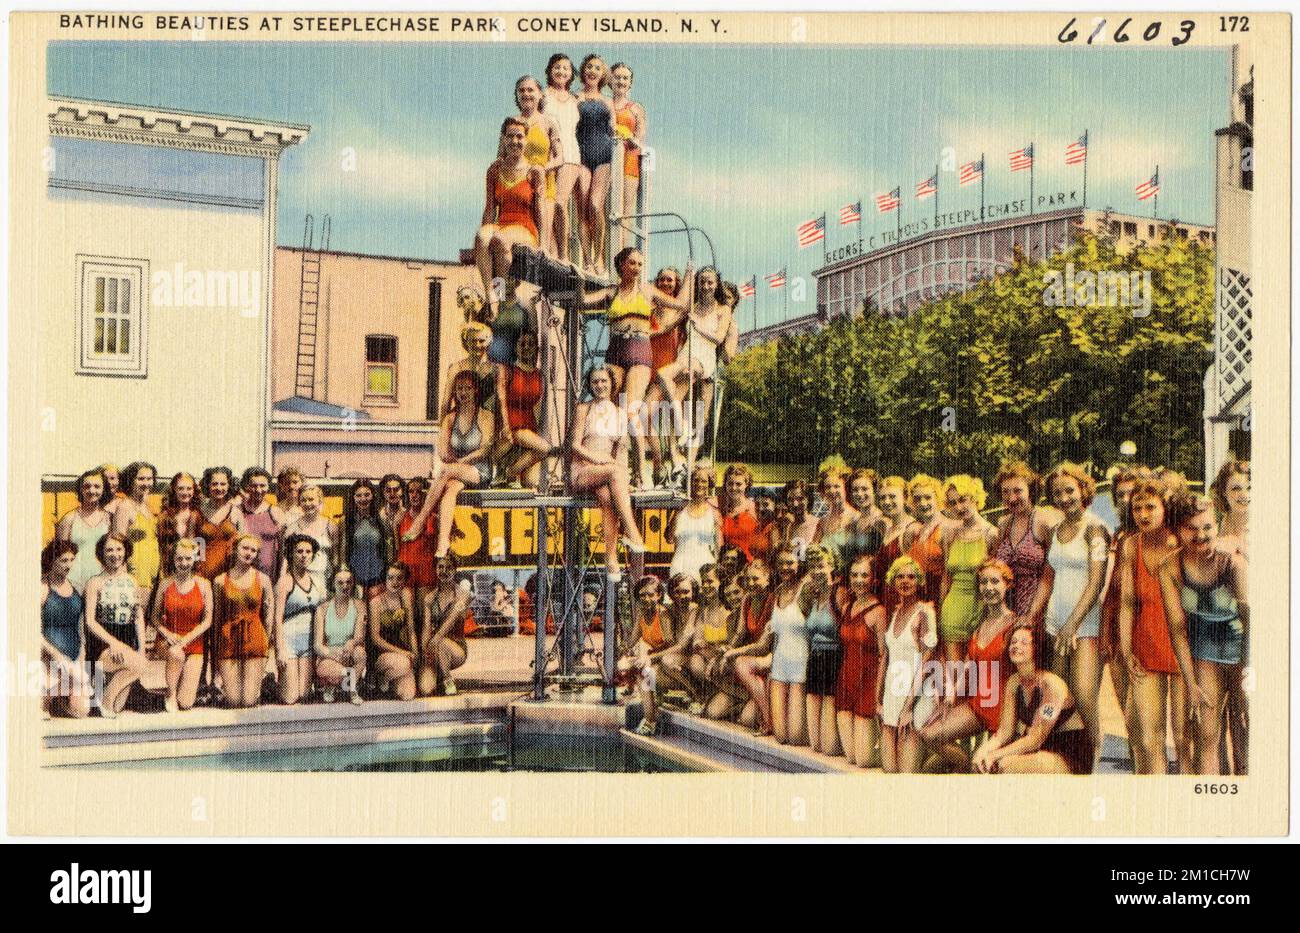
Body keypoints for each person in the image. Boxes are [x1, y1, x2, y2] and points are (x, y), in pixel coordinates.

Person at [1024, 463, 1110, 762]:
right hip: (1054, 621)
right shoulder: (1055, 529)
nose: (1064, 498)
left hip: (1084, 623)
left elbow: (1097, 580)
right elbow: (1050, 576)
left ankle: (1095, 751)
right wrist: (1037, 614)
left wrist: (1072, 624)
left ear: (1083, 490)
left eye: (1070, 490)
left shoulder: (1096, 528)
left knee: (1085, 694)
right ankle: (1061, 753)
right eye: (1057, 493)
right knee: (1057, 692)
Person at [1161, 493, 1249, 776]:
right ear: (1177, 531)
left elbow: (1252, 619)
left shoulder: (1231, 560)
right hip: (1204, 649)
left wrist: (1250, 669)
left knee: (1244, 728)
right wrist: (1191, 683)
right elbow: (1177, 629)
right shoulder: (1170, 567)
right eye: (1192, 529)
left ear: (1216, 524)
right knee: (1207, 735)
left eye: (1208, 527)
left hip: (1242, 646)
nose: (1202, 536)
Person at [577, 246, 664, 486]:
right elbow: (582, 301)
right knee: (612, 408)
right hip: (616, 349)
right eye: (632, 263)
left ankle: (643, 469)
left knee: (630, 410)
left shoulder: (647, 291)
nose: (637, 268)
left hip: (639, 349)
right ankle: (616, 464)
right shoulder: (612, 291)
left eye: (639, 264)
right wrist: (577, 278)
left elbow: (680, 305)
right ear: (622, 265)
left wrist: (689, 274)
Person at [920, 558, 1018, 771]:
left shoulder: (1014, 625)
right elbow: (968, 663)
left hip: (1003, 709)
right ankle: (963, 766)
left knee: (988, 768)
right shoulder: (980, 622)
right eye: (983, 583)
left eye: (994, 582)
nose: (988, 588)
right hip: (979, 703)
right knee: (928, 733)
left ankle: (971, 767)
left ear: (1007, 584)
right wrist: (951, 696)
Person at [1117, 478, 1185, 774]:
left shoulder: (1181, 541)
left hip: (1184, 651)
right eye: (1137, 509)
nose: (1143, 515)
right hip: (1147, 647)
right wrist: (1126, 648)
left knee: (1184, 738)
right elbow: (1127, 603)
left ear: (1164, 508)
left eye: (1150, 508)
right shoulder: (1131, 545)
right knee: (1148, 737)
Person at [973, 624, 1095, 774]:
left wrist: (994, 755)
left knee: (1005, 765)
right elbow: (1004, 732)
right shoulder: (1013, 683)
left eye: (1024, 642)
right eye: (1013, 642)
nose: (1016, 646)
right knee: (982, 762)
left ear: (1036, 648)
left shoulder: (1052, 685)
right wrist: (983, 751)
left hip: (1068, 756)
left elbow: (1035, 738)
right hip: (1038, 752)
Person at [568, 365, 647, 577]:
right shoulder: (583, 409)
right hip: (583, 470)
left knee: (607, 498)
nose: (600, 386)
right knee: (613, 473)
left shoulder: (620, 414)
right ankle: (632, 532)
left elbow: (619, 454)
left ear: (612, 383)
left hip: (607, 473)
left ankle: (611, 559)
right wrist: (597, 459)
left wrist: (623, 479)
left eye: (604, 381)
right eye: (595, 382)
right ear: (590, 385)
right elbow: (574, 445)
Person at [655, 269, 738, 462]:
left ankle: (690, 463)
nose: (706, 287)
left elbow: (718, 339)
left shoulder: (723, 311)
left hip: (704, 358)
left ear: (716, 284)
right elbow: (670, 324)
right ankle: (676, 456)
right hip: (687, 354)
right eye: (702, 282)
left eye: (710, 283)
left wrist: (698, 325)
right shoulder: (693, 306)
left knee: (701, 416)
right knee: (665, 381)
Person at [413, 370, 496, 559]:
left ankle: (421, 519)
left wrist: (459, 464)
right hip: (455, 472)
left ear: (476, 390)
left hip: (479, 470)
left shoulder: (485, 416)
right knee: (449, 490)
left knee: (446, 472)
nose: (463, 392)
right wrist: (454, 466)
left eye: (468, 388)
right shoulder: (450, 418)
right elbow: (443, 451)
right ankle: (443, 543)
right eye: (459, 388)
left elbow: (485, 450)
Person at [475, 117, 543, 319]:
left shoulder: (534, 171)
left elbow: (540, 210)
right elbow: (489, 208)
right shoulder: (494, 170)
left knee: (500, 240)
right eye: (510, 136)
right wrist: (482, 242)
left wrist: (544, 244)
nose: (515, 141)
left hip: (524, 226)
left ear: (526, 140)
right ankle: (491, 295)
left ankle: (500, 294)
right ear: (503, 139)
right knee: (482, 236)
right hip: (502, 223)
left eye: (519, 136)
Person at [879, 555, 940, 773]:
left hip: (916, 697)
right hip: (893, 695)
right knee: (889, 768)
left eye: (911, 577)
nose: (905, 581)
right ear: (893, 580)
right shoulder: (895, 612)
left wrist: (908, 709)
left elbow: (926, 664)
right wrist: (879, 700)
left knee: (906, 774)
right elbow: (885, 658)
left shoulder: (925, 613)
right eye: (900, 576)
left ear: (919, 581)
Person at [1210, 459, 1249, 773]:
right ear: (1223, 493)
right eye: (1236, 487)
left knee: (1246, 706)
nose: (1245, 494)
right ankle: (1225, 776)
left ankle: (1247, 773)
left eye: (1250, 487)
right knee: (1225, 705)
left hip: (1253, 625)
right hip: (1224, 624)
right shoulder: (1220, 524)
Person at [82, 533, 148, 718]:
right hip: (103, 642)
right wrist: (114, 643)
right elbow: (90, 621)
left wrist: (141, 648)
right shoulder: (95, 582)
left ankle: (105, 699)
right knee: (139, 666)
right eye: (109, 550)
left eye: (119, 549)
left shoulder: (132, 581)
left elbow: (137, 617)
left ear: (126, 551)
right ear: (102, 554)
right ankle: (104, 701)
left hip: (126, 639)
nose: (115, 554)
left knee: (118, 708)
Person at [938, 475, 999, 663]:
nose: (959, 507)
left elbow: (995, 579)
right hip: (952, 611)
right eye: (952, 503)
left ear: (975, 498)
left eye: (963, 500)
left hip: (979, 609)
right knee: (954, 673)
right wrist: (941, 610)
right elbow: (946, 578)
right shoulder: (950, 533)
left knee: (976, 673)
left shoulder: (991, 534)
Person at [833, 553, 886, 768]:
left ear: (874, 579)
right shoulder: (847, 607)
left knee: (863, 761)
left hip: (868, 681)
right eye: (854, 575)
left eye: (864, 575)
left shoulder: (879, 611)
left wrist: (878, 693)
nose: (858, 580)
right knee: (851, 758)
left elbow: (884, 655)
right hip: (847, 678)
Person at [149, 538, 212, 712]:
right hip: (168, 640)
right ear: (173, 559)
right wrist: (167, 634)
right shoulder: (165, 583)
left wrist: (186, 639)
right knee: (176, 654)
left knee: (186, 702)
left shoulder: (204, 584)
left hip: (194, 642)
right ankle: (170, 692)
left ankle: (176, 686)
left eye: (188, 559)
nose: (183, 563)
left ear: (194, 560)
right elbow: (154, 617)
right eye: (179, 559)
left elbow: (207, 620)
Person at [213, 534, 273, 708]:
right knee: (233, 701)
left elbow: (268, 615)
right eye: (245, 548)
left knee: (248, 701)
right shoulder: (220, 580)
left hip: (254, 637)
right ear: (234, 549)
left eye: (253, 550)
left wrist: (266, 642)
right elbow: (217, 618)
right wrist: (217, 650)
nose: (249, 553)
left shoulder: (263, 579)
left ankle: (258, 685)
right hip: (229, 638)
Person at [992, 461, 1059, 618]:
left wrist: (1031, 614)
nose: (1012, 498)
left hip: (1039, 607)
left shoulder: (1044, 521)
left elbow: (1050, 573)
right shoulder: (1004, 524)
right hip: (1008, 609)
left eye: (1018, 491)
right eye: (1006, 492)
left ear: (1031, 490)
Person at [716, 558, 774, 733]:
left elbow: (763, 646)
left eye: (755, 579)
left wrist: (732, 653)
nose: (751, 583)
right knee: (714, 713)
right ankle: (747, 699)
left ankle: (767, 719)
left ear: (767, 578)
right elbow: (740, 633)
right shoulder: (747, 599)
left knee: (747, 720)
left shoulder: (772, 600)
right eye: (748, 579)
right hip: (755, 657)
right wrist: (726, 651)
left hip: (770, 656)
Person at [618, 574, 676, 734]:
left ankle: (650, 720)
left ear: (658, 595)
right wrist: (624, 653)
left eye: (650, 594)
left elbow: (672, 646)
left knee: (644, 673)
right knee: (628, 666)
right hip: (653, 659)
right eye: (642, 595)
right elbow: (631, 642)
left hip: (668, 661)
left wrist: (648, 657)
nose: (646, 599)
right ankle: (649, 711)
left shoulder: (662, 615)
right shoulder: (642, 614)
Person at [574, 54, 615, 276]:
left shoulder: (607, 101)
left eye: (597, 68)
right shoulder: (575, 97)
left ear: (602, 74)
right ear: (583, 70)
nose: (592, 71)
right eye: (589, 66)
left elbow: (614, 129)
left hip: (603, 154)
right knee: (582, 209)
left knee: (596, 205)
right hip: (580, 154)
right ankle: (587, 260)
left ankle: (599, 258)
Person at [496, 330, 552, 489]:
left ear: (536, 349)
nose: (526, 347)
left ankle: (509, 474)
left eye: (531, 344)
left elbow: (538, 407)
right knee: (545, 448)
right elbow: (501, 400)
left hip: (530, 426)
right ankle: (510, 472)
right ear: (515, 348)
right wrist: (506, 426)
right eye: (522, 344)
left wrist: (542, 433)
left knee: (530, 484)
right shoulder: (508, 370)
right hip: (513, 424)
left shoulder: (539, 375)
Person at [764, 545, 809, 745]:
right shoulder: (777, 592)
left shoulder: (805, 590)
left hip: (800, 668)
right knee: (781, 737)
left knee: (794, 738)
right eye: (781, 563)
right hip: (779, 668)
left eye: (790, 562)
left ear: (799, 564)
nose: (785, 567)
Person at [41, 540, 91, 718]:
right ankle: (50, 698)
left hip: (73, 657)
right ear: (52, 560)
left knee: (82, 711)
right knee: (41, 710)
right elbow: (33, 631)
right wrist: (55, 655)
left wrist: (81, 655)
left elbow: (80, 627)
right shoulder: (42, 588)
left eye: (71, 560)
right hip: (47, 658)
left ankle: (60, 700)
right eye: (64, 560)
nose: (68, 565)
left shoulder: (75, 586)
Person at [513, 74, 561, 258]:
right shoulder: (512, 123)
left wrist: (542, 167)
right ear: (517, 95)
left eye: (530, 90)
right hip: (519, 188)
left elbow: (560, 157)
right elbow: (501, 157)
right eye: (521, 90)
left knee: (543, 242)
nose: (526, 94)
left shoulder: (549, 122)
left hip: (544, 187)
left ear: (540, 94)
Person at [274, 534, 325, 705]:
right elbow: (277, 618)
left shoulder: (316, 581)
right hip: (289, 641)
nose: (304, 555)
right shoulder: (285, 582)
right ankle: (271, 684)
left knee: (304, 695)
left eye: (308, 552)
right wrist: (280, 649)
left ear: (313, 555)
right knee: (290, 698)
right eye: (299, 551)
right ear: (291, 554)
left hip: (308, 642)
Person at [801, 545, 842, 756]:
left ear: (832, 567)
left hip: (833, 660)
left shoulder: (839, 593)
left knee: (827, 748)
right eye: (813, 567)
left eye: (821, 566)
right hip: (814, 661)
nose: (817, 571)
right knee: (814, 745)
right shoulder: (813, 596)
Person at [542, 53, 581, 260]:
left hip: (571, 155)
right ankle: (551, 251)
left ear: (571, 73)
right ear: (550, 70)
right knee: (547, 203)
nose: (561, 71)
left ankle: (564, 254)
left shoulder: (577, 98)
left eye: (566, 68)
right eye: (557, 67)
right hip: (548, 155)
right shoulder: (543, 95)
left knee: (559, 202)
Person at [314, 566, 367, 704]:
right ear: (333, 583)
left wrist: (352, 642)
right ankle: (334, 684)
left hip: (349, 653)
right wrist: (333, 653)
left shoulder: (359, 605)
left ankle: (351, 690)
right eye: (340, 582)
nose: (345, 586)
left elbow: (359, 636)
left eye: (348, 582)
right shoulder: (322, 609)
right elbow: (318, 645)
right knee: (324, 668)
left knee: (360, 653)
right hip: (330, 655)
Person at [422, 555, 473, 696]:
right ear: (436, 569)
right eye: (440, 567)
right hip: (433, 647)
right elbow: (426, 627)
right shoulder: (429, 598)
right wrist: (425, 652)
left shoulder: (463, 595)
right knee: (425, 689)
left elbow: (450, 621)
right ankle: (438, 677)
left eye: (449, 567)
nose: (444, 571)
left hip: (456, 648)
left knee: (441, 642)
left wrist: (434, 640)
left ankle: (447, 679)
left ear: (455, 570)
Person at [609, 62, 646, 252]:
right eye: (617, 77)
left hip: (629, 162)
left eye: (625, 78)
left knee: (625, 211)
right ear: (610, 80)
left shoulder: (635, 108)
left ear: (630, 83)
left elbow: (640, 139)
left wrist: (626, 134)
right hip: (607, 160)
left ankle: (621, 252)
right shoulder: (604, 104)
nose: (621, 81)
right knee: (606, 208)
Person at [686, 564, 732, 715]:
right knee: (695, 661)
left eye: (710, 581)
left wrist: (713, 649)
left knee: (713, 713)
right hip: (710, 663)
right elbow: (697, 642)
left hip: (726, 666)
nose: (705, 586)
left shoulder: (729, 609)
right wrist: (710, 647)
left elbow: (731, 645)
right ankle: (709, 694)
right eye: (703, 582)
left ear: (721, 582)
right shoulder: (703, 611)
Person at [369, 563, 419, 701]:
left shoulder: (405, 597)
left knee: (408, 695)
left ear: (404, 580)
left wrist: (415, 653)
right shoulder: (376, 602)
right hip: (382, 653)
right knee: (403, 664)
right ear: (384, 579)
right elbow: (375, 639)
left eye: (399, 578)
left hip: (403, 655)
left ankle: (389, 682)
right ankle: (381, 677)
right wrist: (404, 653)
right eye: (390, 578)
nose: (395, 582)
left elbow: (411, 630)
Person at [56, 469, 111, 593]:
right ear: (81, 489)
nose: (92, 490)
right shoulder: (69, 519)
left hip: (102, 584)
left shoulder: (110, 520)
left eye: (97, 486)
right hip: (73, 584)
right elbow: (59, 556)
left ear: (103, 489)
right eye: (87, 486)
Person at [112, 461, 161, 596]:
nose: (146, 483)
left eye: (149, 479)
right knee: (137, 614)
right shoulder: (125, 507)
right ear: (131, 480)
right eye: (140, 479)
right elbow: (117, 543)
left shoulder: (146, 505)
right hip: (137, 571)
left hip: (152, 570)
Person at [340, 479, 393, 599]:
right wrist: (344, 572)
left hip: (378, 578)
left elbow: (389, 551)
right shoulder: (346, 520)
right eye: (358, 495)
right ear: (353, 498)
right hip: (354, 579)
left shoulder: (382, 521)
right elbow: (342, 548)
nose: (363, 499)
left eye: (367, 495)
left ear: (373, 496)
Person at [667, 466, 721, 582]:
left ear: (709, 484)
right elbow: (669, 539)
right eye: (695, 480)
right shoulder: (680, 508)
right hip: (681, 566)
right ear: (689, 482)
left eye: (703, 481)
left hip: (706, 569)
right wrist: (677, 512)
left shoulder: (714, 512)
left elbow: (718, 547)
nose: (699, 484)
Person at [901, 473, 947, 605]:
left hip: (938, 598)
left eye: (928, 497)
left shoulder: (945, 528)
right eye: (917, 499)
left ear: (937, 498)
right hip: (918, 599)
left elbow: (948, 575)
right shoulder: (917, 531)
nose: (923, 503)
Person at [281, 484, 338, 587]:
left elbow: (336, 557)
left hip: (323, 582)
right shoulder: (292, 529)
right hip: (299, 583)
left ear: (320, 501)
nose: (307, 504)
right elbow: (285, 559)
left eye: (311, 499)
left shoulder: (330, 526)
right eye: (303, 500)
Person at [236, 467, 287, 582]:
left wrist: (282, 576)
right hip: (242, 574)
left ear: (268, 486)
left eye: (262, 485)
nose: (258, 490)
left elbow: (283, 550)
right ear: (247, 486)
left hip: (269, 575)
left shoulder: (275, 512)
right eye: (254, 486)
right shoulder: (238, 510)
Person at [442, 322, 499, 421]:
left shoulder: (496, 369)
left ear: (488, 342)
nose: (477, 345)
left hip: (488, 423)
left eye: (481, 341)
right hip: (462, 422)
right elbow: (446, 403)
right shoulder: (456, 368)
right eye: (472, 341)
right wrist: (444, 429)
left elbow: (500, 404)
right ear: (466, 342)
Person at [196, 467, 244, 580]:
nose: (219, 488)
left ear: (229, 486)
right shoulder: (199, 511)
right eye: (214, 484)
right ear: (208, 485)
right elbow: (194, 542)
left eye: (223, 484)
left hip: (229, 574)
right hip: (203, 572)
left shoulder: (235, 512)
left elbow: (243, 543)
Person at [813, 465, 860, 573]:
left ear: (845, 488)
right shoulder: (823, 520)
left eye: (836, 486)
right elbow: (813, 550)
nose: (832, 490)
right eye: (827, 487)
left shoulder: (856, 518)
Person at [156, 472, 200, 586]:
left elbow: (201, 548)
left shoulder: (198, 516)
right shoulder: (164, 516)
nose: (185, 492)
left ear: (194, 490)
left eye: (189, 488)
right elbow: (160, 547)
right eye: (180, 488)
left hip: (191, 573)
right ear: (174, 490)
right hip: (168, 571)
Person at [844, 468, 887, 563]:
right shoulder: (853, 522)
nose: (859, 494)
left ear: (875, 490)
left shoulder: (883, 520)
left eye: (864, 489)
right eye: (855, 490)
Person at [719, 464, 761, 560]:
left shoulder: (755, 507)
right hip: (729, 562)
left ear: (747, 484)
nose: (733, 488)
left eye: (738, 484)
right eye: (730, 483)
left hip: (749, 562)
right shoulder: (721, 507)